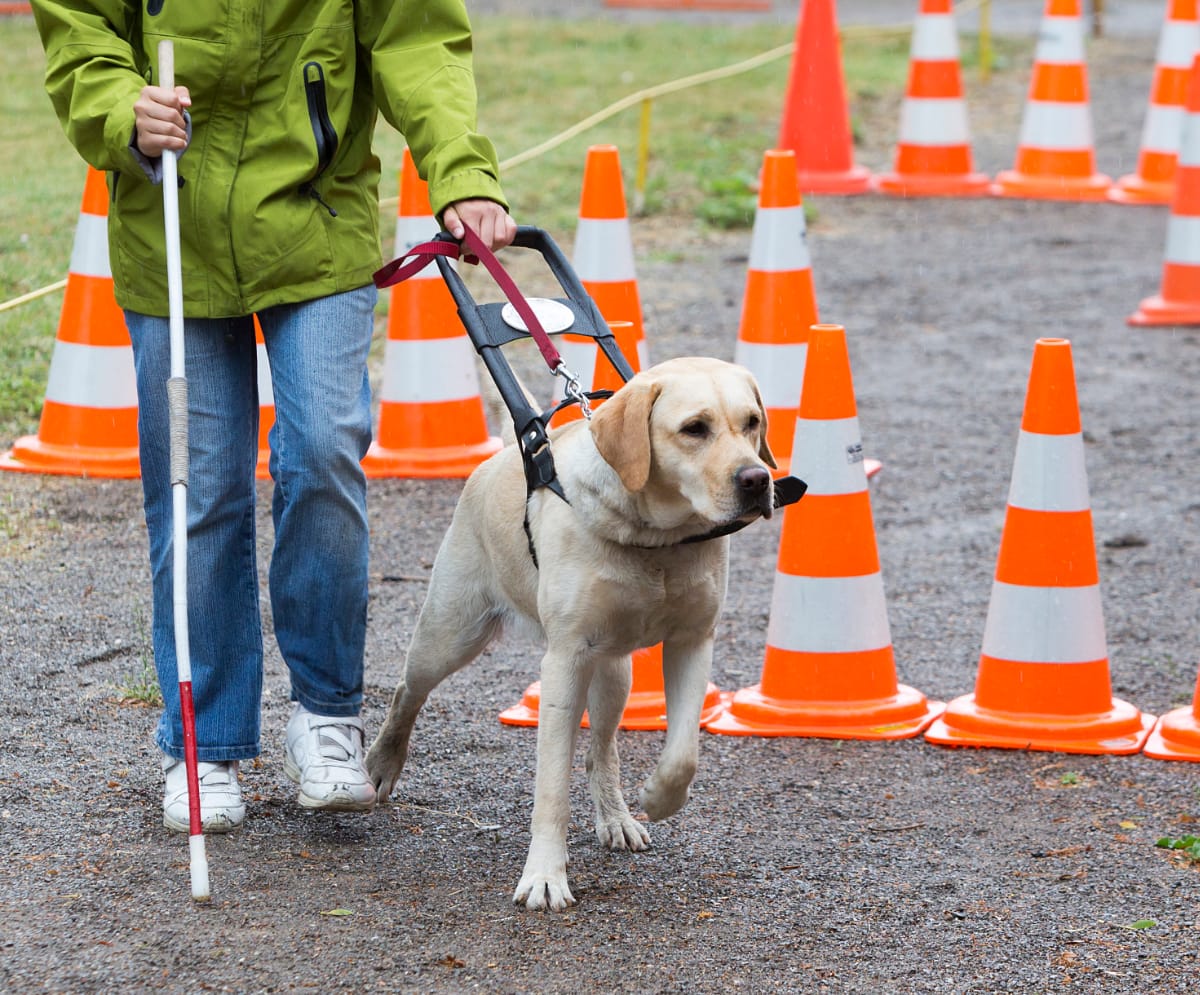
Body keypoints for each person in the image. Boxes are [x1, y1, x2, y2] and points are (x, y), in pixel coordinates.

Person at [31, 1, 516, 833]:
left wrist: (462, 172)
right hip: (170, 226)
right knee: (200, 486)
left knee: (324, 449)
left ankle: (326, 716)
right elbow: (80, 28)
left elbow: (418, 37)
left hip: (317, 224)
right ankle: (203, 742)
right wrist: (122, 111)